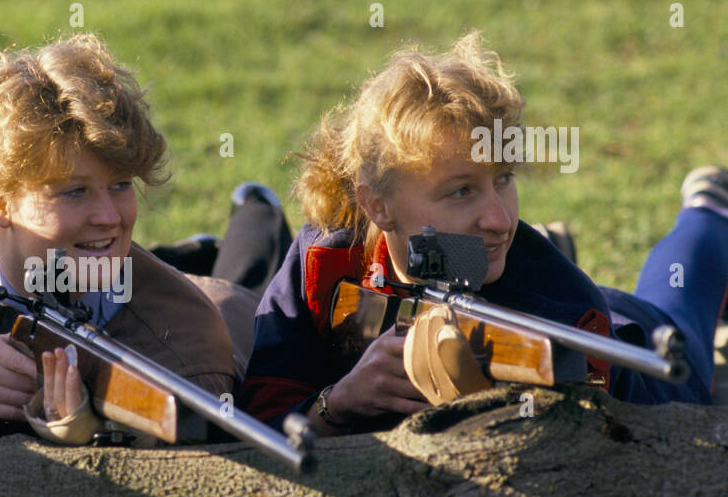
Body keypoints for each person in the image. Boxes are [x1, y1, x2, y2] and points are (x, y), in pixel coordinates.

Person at [241, 31, 728, 436]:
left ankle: (708, 209)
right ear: (375, 204)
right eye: (461, 192)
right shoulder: (324, 259)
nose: (499, 219)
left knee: (683, 312)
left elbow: (591, 462)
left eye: (504, 179)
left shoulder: (565, 315)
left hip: (635, 359)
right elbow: (260, 418)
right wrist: (337, 404)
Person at [0, 33, 242, 445]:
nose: (110, 217)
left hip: (233, 313)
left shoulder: (185, 346)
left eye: (121, 185)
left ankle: (251, 212)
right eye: (74, 191)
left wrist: (82, 435)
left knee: (244, 282)